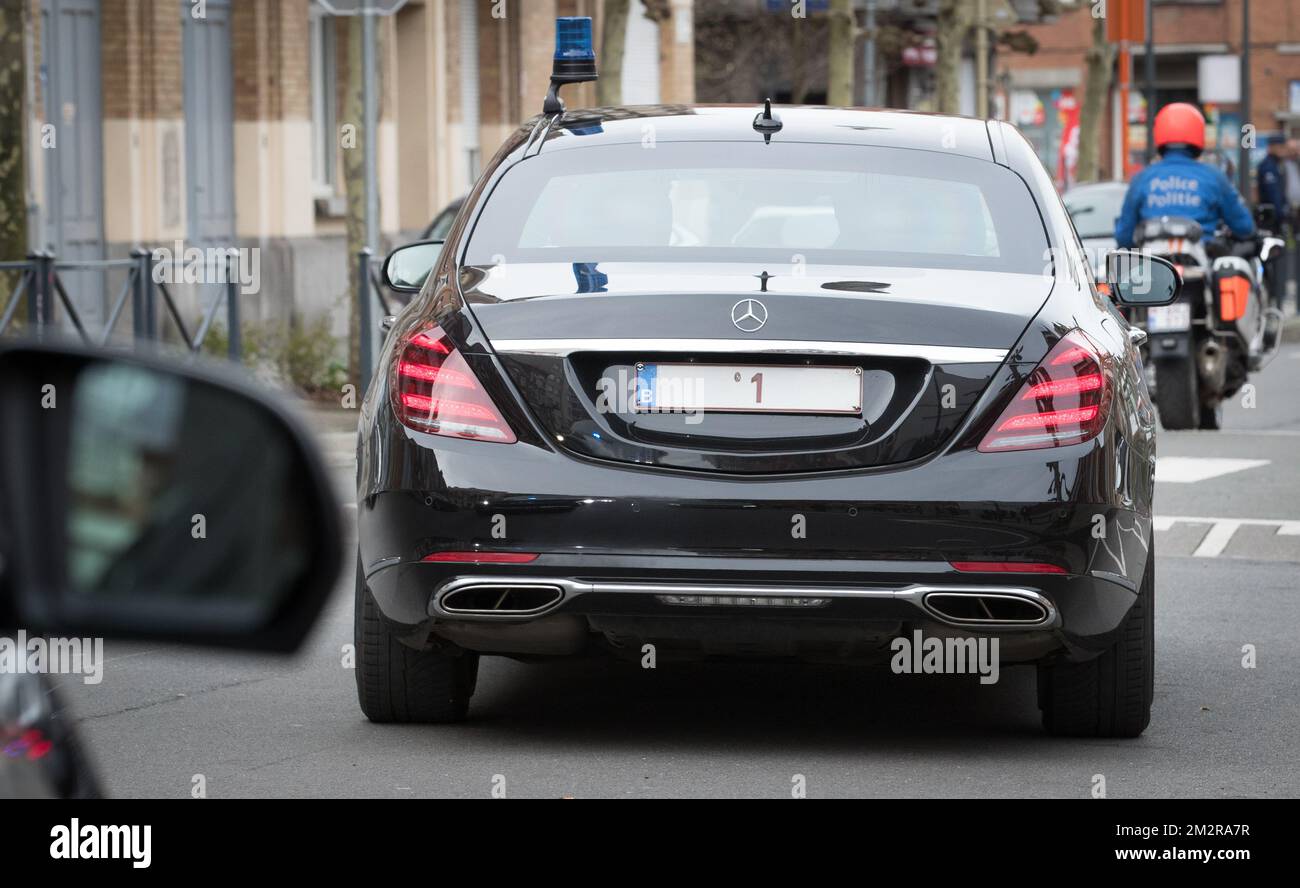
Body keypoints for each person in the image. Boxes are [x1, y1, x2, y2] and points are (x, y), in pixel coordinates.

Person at [1115, 102, 1255, 249]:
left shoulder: (1142, 179)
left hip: (1154, 267)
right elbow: (1244, 227)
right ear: (1199, 134)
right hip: (1201, 263)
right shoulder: (1214, 177)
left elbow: (1124, 236)